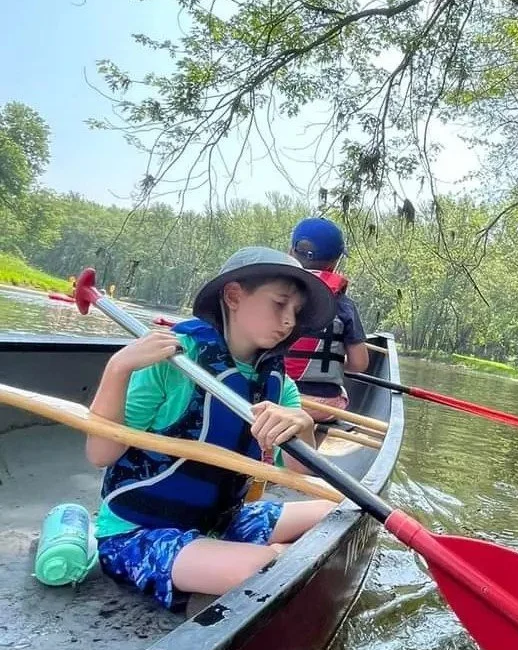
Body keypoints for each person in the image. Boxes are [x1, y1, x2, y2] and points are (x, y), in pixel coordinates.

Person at [86, 247, 340, 612]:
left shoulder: (278, 383)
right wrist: (118, 369)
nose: (289, 321)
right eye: (279, 304)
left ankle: (244, 557)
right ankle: (257, 560)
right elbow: (100, 455)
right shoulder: (171, 358)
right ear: (234, 296)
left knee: (341, 511)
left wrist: (303, 424)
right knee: (265, 568)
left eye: (295, 312)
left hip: (221, 522)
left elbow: (298, 470)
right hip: (139, 532)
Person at [285, 217, 369, 430]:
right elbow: (359, 364)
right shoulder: (343, 304)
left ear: (291, 252)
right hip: (324, 406)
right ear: (335, 262)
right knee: (341, 394)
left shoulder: (276, 295)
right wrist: (336, 364)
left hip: (278, 397)